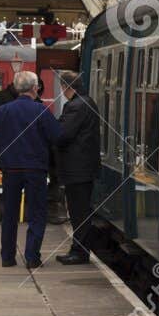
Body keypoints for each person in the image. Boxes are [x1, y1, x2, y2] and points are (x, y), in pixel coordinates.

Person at [0, 69, 59, 268]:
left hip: (10, 167)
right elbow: (56, 136)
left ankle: (7, 257)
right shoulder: (41, 111)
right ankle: (32, 257)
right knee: (36, 212)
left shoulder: (4, 110)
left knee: (9, 213)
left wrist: (3, 150)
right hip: (35, 168)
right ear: (35, 88)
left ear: (16, 88)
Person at [52, 70, 101, 264]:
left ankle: (79, 252)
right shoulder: (87, 102)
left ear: (66, 87)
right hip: (83, 168)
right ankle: (79, 249)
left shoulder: (75, 106)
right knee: (81, 211)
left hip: (77, 169)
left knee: (78, 212)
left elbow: (63, 135)